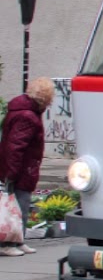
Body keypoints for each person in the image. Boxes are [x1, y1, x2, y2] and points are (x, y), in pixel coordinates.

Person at [0, 77, 54, 256]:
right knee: (16, 207)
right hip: (21, 170)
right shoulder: (27, 116)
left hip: (19, 168)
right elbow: (16, 147)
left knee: (18, 206)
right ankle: (8, 243)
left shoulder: (23, 111)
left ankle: (19, 241)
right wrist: (12, 173)